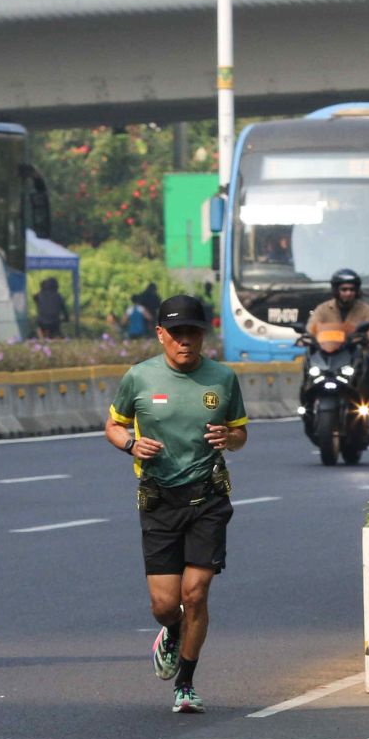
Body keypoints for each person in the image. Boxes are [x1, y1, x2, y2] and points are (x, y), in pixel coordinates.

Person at [104, 295, 249, 713]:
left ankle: (185, 682)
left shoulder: (222, 379)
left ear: (203, 335)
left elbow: (240, 434)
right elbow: (113, 425)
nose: (186, 340)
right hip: (159, 500)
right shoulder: (139, 377)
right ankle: (171, 629)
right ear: (161, 334)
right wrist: (131, 443)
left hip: (208, 498)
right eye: (178, 332)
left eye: (194, 332)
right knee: (166, 604)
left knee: (197, 592)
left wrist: (229, 438)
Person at [305, 269, 369, 401]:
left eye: (352, 290)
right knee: (308, 363)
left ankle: (368, 402)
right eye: (344, 289)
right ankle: (307, 401)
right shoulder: (323, 309)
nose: (348, 293)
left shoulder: (365, 309)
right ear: (336, 291)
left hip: (354, 354)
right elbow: (312, 326)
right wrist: (307, 337)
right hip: (328, 354)